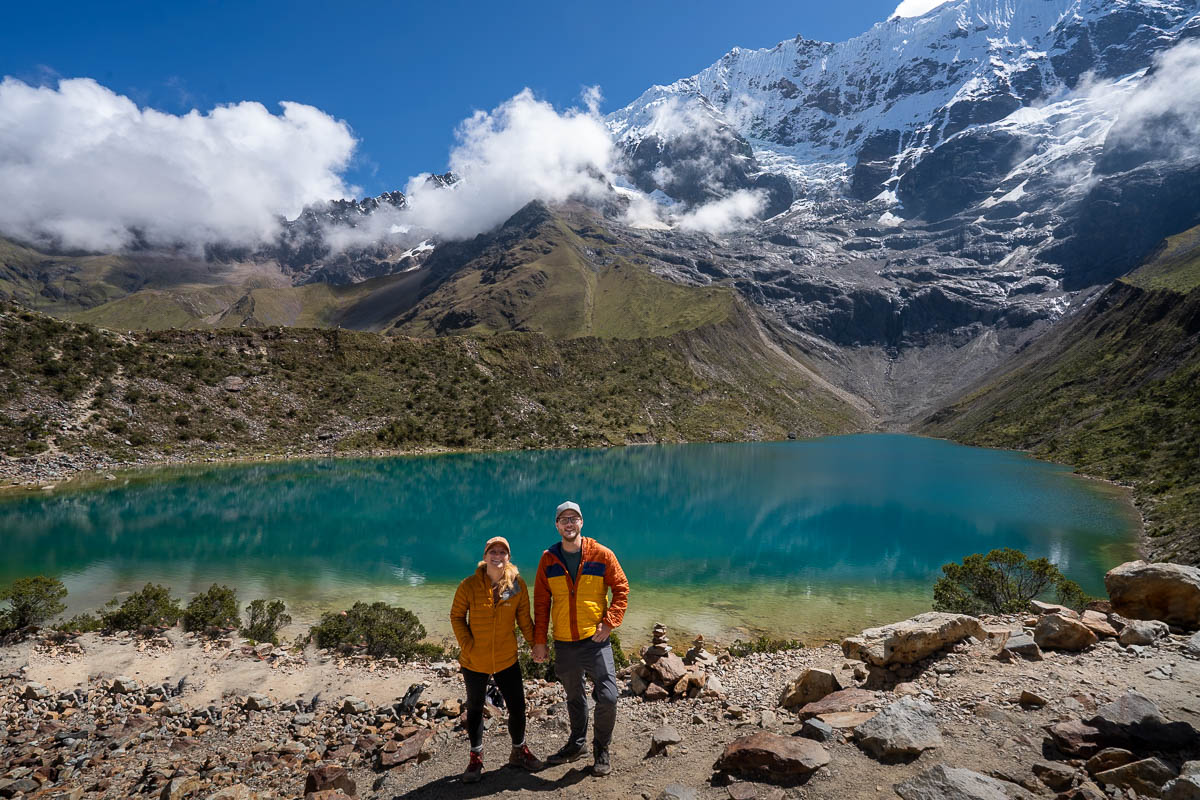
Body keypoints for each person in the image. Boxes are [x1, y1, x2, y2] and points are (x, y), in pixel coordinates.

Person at [532, 500, 629, 777]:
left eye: (574, 518)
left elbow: (621, 588)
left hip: (595, 640)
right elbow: (541, 603)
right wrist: (540, 641)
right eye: (564, 519)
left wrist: (609, 623)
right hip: (564, 642)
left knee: (608, 697)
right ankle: (577, 744)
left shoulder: (601, 554)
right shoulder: (548, 559)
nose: (569, 523)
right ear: (557, 525)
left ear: (581, 522)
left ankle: (601, 748)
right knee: (574, 696)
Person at [450, 536, 544, 783]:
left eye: (502, 552)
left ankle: (518, 751)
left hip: (506, 658)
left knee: (518, 707)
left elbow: (524, 619)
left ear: (508, 557)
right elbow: (457, 616)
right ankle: (476, 757)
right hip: (474, 660)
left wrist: (536, 645)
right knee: (474, 708)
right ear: (485, 556)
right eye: (493, 551)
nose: (497, 556)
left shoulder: (516, 585)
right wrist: (468, 645)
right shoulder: (468, 585)